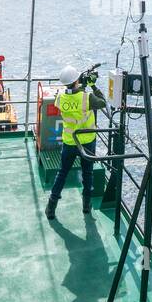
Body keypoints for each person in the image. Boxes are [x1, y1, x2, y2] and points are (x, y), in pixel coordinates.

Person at [45, 64, 106, 220]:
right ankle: (86, 206)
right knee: (88, 173)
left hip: (70, 141)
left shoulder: (60, 98)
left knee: (62, 172)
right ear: (77, 80)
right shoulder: (87, 97)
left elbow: (71, 98)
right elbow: (103, 102)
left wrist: (80, 86)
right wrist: (92, 85)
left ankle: (51, 207)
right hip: (87, 141)